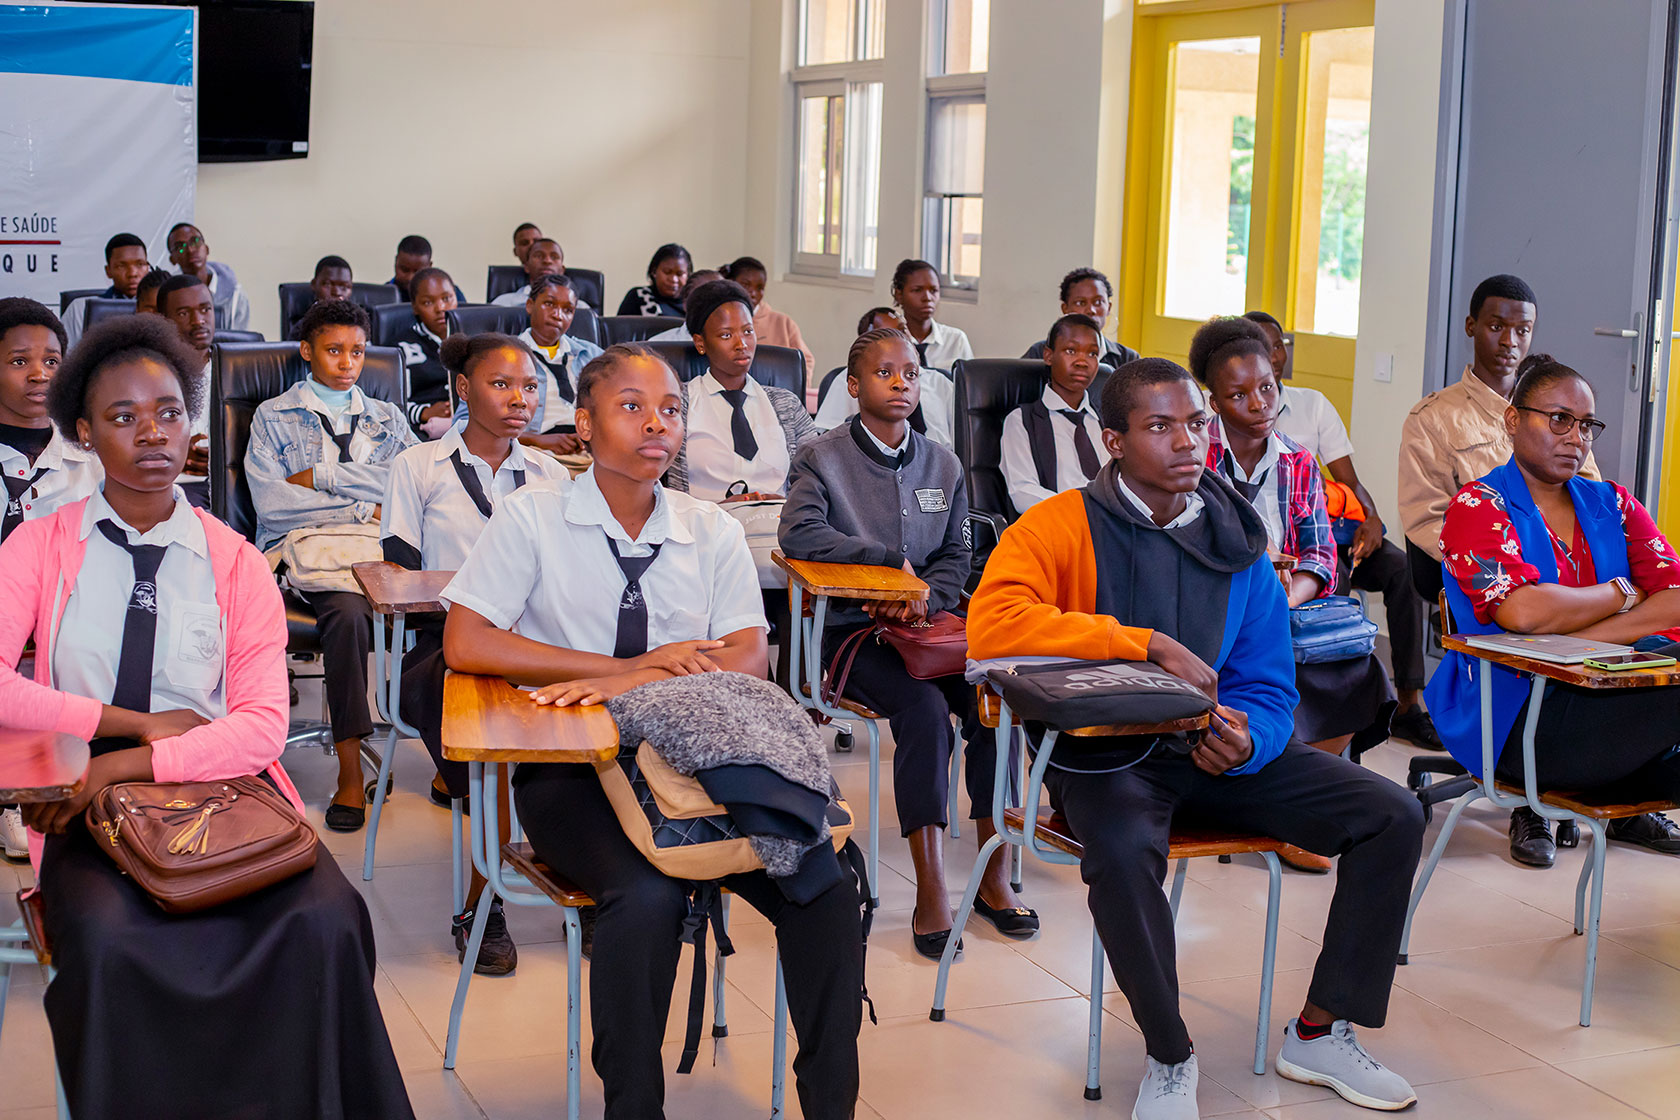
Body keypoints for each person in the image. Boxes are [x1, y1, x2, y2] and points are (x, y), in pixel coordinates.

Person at [967, 355, 1423, 1120]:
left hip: (1213, 755)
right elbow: (992, 626)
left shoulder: (1238, 541)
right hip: (1103, 757)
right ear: (1112, 440)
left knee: (1393, 814)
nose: (1188, 442)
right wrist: (1138, 641)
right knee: (1118, 852)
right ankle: (1170, 1056)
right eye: (1160, 427)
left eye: (1195, 424)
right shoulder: (1058, 524)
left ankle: (1320, 1030)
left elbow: (1270, 685)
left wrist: (1252, 742)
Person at [0, 313, 415, 1118]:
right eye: (122, 418)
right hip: (87, 814)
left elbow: (260, 727)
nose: (150, 434)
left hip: (224, 795)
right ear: (84, 433)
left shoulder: (234, 559)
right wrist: (135, 725)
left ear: (190, 426)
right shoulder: (38, 547)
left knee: (330, 924)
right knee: (112, 948)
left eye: (166, 413)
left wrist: (119, 763)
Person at [439, 343, 862, 1119]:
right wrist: (632, 670)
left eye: (670, 409)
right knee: (645, 895)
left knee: (826, 885)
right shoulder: (533, 518)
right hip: (572, 766)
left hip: (702, 761)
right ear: (585, 424)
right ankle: (633, 1107)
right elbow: (466, 640)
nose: (656, 423)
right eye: (631, 407)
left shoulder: (711, 528)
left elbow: (746, 657)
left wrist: (626, 681)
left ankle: (829, 1104)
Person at [782, 327, 1034, 956]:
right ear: (854, 384)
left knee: (993, 701)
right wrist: (887, 569)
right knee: (924, 714)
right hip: (852, 633)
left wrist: (927, 596)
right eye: (886, 373)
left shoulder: (941, 462)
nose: (901, 384)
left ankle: (994, 876)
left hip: (929, 627)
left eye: (912, 374)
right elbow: (800, 533)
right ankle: (932, 887)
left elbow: (957, 551)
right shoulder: (823, 457)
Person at [1397, 274, 1620, 867]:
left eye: (1522, 328)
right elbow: (1424, 518)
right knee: (1532, 627)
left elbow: (1594, 502)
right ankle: (1529, 794)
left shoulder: (1565, 407)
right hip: (1482, 584)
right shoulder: (1435, 418)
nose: (1509, 340)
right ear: (1471, 327)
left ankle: (1617, 782)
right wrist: (1495, 565)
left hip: (1568, 587)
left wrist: (1596, 584)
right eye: (1496, 326)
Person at [1432, 357, 1680, 842]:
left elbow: (1675, 598)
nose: (1576, 437)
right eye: (1559, 419)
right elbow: (1523, 611)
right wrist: (1621, 592)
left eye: (1587, 425)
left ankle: (1625, 806)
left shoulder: (1615, 504)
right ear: (1513, 419)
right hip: (1523, 724)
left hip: (1611, 701)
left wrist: (1578, 635)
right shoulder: (1478, 507)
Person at [383, 331, 569, 975]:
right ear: (463, 388)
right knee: (492, 742)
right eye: (501, 384)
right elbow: (402, 573)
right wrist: (477, 602)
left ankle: (590, 882)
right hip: (443, 646)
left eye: (530, 387)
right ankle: (484, 903)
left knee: (589, 726)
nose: (520, 398)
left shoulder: (549, 473)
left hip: (536, 642)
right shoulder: (418, 466)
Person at [1193, 318, 1396, 873]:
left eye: (1267, 389)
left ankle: (1287, 807)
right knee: (1259, 672)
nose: (1259, 403)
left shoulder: (1298, 462)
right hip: (1213, 607)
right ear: (1214, 402)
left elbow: (1320, 555)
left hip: (1285, 604)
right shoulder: (1193, 460)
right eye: (1238, 394)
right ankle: (1256, 800)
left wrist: (1289, 598)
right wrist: (1259, 597)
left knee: (1357, 669)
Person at [246, 299, 417, 832]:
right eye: (334, 350)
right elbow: (273, 503)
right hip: (307, 552)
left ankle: (450, 760)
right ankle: (349, 768)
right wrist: (366, 501)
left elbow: (411, 490)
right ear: (306, 352)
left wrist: (321, 477)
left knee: (455, 604)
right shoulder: (272, 416)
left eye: (358, 352)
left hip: (377, 549)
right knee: (346, 614)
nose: (348, 362)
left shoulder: (387, 417)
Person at [1245, 310, 1439, 750]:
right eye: (1261, 345)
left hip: (1337, 530)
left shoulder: (1312, 404)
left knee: (1402, 570)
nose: (1272, 355)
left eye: (1277, 345)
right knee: (1335, 583)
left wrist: (1372, 520)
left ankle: (1409, 701)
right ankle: (1326, 712)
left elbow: (1348, 480)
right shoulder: (1239, 416)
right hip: (1297, 549)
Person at [0, 297, 100, 863]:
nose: (39, 373)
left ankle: (29, 796)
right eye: (19, 361)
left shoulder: (91, 459)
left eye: (52, 360)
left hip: (65, 616)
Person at [664, 279, 817, 499]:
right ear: (700, 343)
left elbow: (817, 472)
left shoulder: (785, 404)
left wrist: (790, 506)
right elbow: (655, 484)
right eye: (727, 335)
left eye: (747, 331)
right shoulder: (678, 403)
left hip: (777, 526)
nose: (741, 344)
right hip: (703, 527)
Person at [1001, 313, 1112, 513]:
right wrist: (1085, 510)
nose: (1082, 361)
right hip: (1059, 525)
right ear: (1048, 356)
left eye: (1092, 354)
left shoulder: (1108, 421)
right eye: (1071, 351)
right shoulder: (1022, 421)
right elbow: (1023, 492)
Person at [814, 307, 957, 448]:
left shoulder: (940, 381)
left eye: (902, 330)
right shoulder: (849, 379)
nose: (901, 384)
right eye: (884, 372)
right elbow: (828, 434)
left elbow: (963, 439)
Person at [154, 274, 217, 508]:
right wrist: (176, 455)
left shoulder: (241, 370)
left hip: (231, 484)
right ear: (163, 320)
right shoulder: (146, 375)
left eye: (205, 309)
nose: (198, 320)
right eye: (183, 313)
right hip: (173, 485)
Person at [1020, 267, 1140, 368]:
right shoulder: (1040, 352)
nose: (1091, 310)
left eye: (1098, 302)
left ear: (1108, 307)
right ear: (1065, 308)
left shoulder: (1127, 358)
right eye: (1080, 303)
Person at [720, 255, 815, 379]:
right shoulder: (719, 322)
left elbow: (806, 362)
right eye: (746, 285)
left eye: (760, 288)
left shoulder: (783, 323)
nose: (753, 293)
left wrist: (790, 389)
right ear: (731, 282)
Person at [396, 266, 460, 439]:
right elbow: (390, 407)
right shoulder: (401, 348)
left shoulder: (472, 339)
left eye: (446, 298)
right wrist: (424, 412)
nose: (440, 308)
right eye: (428, 302)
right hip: (421, 431)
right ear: (415, 307)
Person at [62, 232, 152, 346]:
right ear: (108, 271)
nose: (132, 273)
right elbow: (64, 358)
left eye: (140, 264)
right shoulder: (81, 308)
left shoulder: (163, 306)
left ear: (148, 268)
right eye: (121, 266)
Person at [165, 222, 250, 331]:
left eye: (195, 241)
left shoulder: (236, 295)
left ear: (207, 249)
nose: (190, 250)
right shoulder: (169, 296)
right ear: (172, 259)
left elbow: (240, 342)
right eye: (180, 247)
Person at [890, 258, 971, 372]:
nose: (928, 298)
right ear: (899, 295)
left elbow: (968, 386)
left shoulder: (956, 340)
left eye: (933, 291)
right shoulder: (889, 341)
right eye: (917, 290)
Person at [491, 237, 588, 308]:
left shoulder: (581, 308)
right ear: (527, 267)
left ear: (562, 270)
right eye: (539, 256)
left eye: (554, 257)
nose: (547, 261)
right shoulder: (503, 303)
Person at [617, 242, 692, 316]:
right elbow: (619, 327)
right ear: (654, 271)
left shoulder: (694, 304)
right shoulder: (639, 297)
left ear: (688, 275)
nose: (673, 279)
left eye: (680, 274)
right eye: (667, 272)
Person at [387, 234, 466, 302]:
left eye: (417, 272)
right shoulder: (382, 295)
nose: (410, 278)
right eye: (404, 270)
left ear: (429, 266)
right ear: (396, 261)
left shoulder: (449, 293)